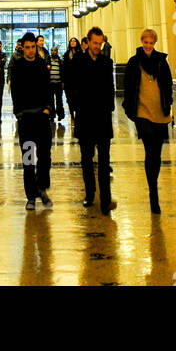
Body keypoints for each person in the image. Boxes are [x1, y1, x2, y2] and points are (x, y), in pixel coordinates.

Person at [122, 29, 173, 214]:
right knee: (149, 146)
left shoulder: (161, 61)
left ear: (155, 43)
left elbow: (167, 84)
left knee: (156, 153)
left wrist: (169, 103)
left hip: (160, 111)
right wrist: (129, 108)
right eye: (146, 43)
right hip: (142, 111)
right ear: (142, 42)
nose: (148, 46)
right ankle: (152, 191)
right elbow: (127, 85)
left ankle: (154, 184)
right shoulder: (134, 62)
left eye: (151, 43)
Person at [73, 25, 116, 214]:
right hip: (85, 116)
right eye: (95, 43)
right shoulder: (78, 61)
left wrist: (109, 108)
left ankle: (105, 199)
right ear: (88, 42)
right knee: (86, 159)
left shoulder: (107, 62)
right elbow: (73, 87)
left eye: (100, 43)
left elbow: (110, 87)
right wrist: (76, 108)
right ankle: (90, 194)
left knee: (105, 160)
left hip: (103, 117)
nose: (98, 46)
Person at [9, 30, 54, 210]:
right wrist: (19, 112)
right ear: (22, 48)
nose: (30, 50)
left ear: (36, 47)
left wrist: (47, 109)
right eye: (27, 47)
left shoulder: (42, 64)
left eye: (32, 47)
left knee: (45, 156)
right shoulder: (17, 66)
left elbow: (47, 87)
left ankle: (41, 187)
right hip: (26, 119)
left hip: (41, 118)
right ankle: (31, 196)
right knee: (28, 159)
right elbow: (15, 91)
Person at [62, 36, 83, 126]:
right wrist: (63, 81)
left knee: (78, 99)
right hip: (68, 81)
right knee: (69, 99)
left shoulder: (80, 54)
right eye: (71, 41)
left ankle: (78, 116)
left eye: (74, 41)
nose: (73, 42)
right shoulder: (67, 54)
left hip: (77, 81)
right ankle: (72, 116)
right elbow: (63, 68)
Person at [49, 44, 65, 121]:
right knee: (51, 101)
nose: (53, 52)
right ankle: (52, 115)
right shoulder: (48, 61)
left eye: (55, 50)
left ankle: (60, 115)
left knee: (59, 100)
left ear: (57, 52)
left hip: (58, 83)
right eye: (52, 50)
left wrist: (63, 82)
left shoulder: (61, 61)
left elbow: (63, 72)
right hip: (50, 84)